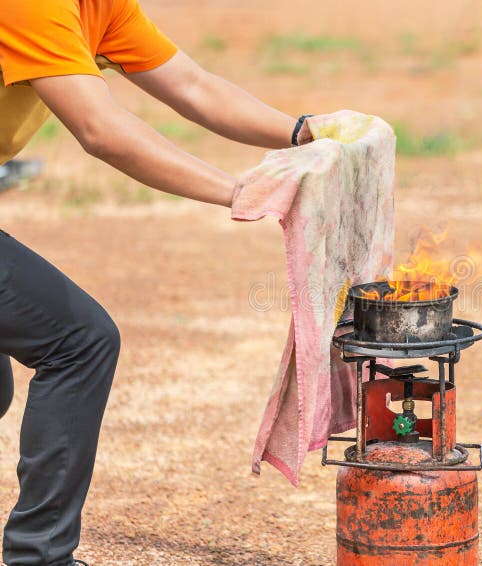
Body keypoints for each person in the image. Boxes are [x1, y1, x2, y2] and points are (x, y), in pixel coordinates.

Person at [0, 1, 314, 564]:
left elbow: (194, 87)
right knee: (79, 341)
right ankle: (39, 558)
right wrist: (238, 192)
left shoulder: (101, 7)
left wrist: (305, 132)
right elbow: (100, 130)